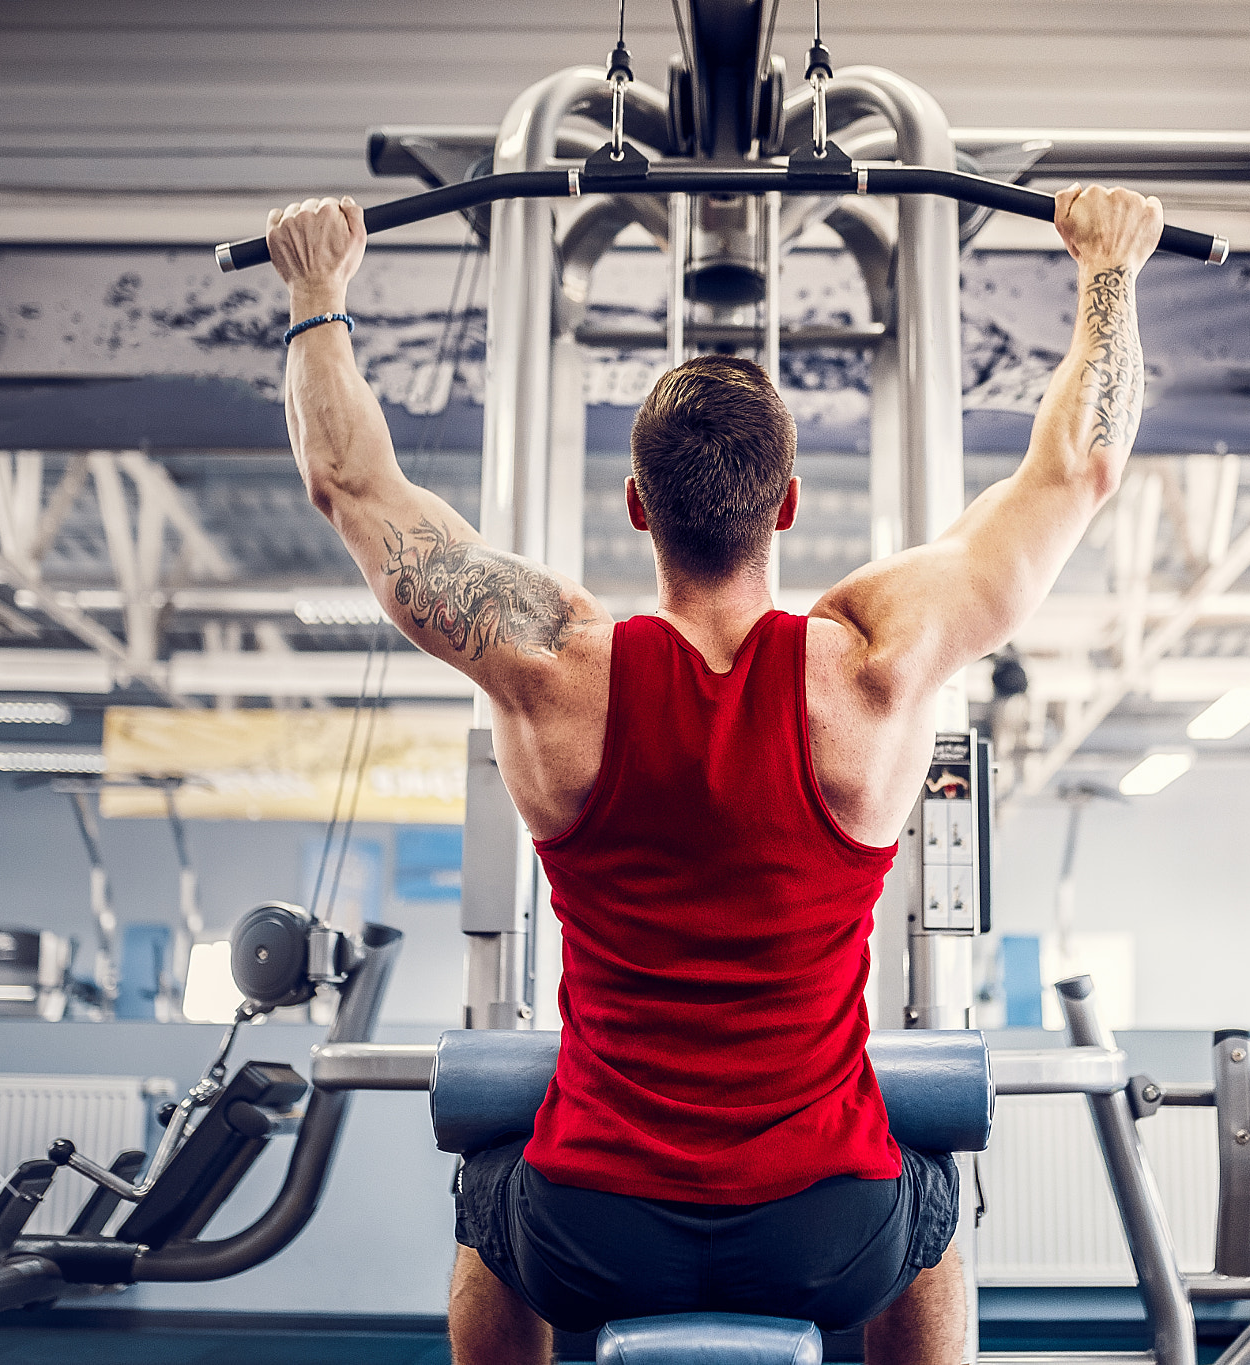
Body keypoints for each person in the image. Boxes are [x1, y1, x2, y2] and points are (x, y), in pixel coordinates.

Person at [266, 181, 1162, 1365]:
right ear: (785, 504)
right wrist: (1108, 271)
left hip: (593, 1228)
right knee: (935, 1180)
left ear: (635, 505)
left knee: (488, 1171)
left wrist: (317, 294)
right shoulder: (877, 663)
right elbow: (1073, 474)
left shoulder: (552, 666)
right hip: (824, 1231)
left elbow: (352, 487)